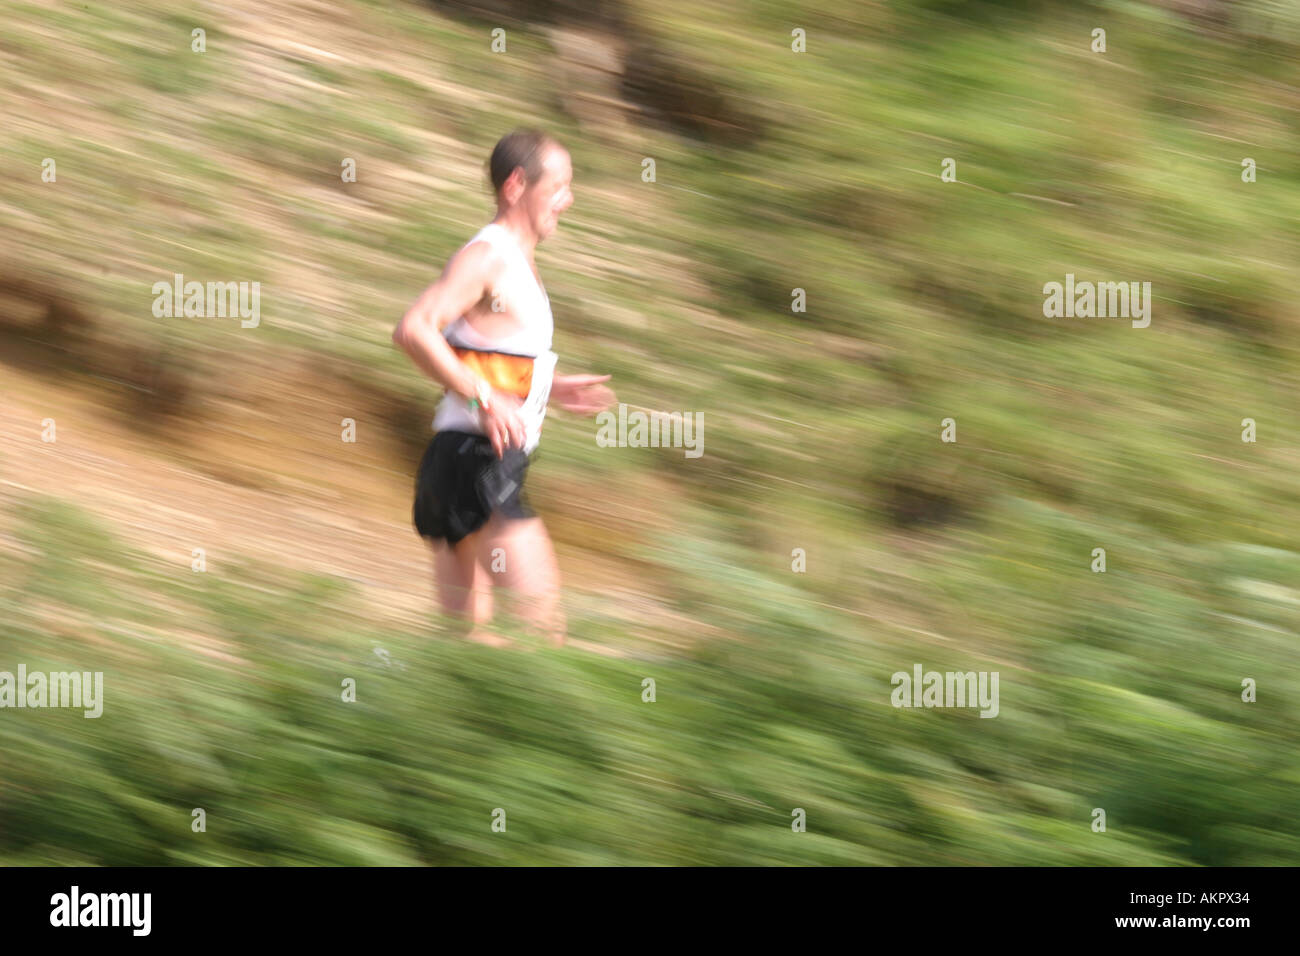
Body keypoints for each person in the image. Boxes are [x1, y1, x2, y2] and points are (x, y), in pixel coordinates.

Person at [391, 130, 614, 648]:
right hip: (481, 463)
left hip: (454, 459)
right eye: (558, 186)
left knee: (468, 653)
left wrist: (549, 387)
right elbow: (414, 329)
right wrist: (484, 400)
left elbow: (469, 348)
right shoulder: (489, 258)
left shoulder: (512, 261)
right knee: (544, 640)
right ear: (516, 185)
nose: (569, 198)